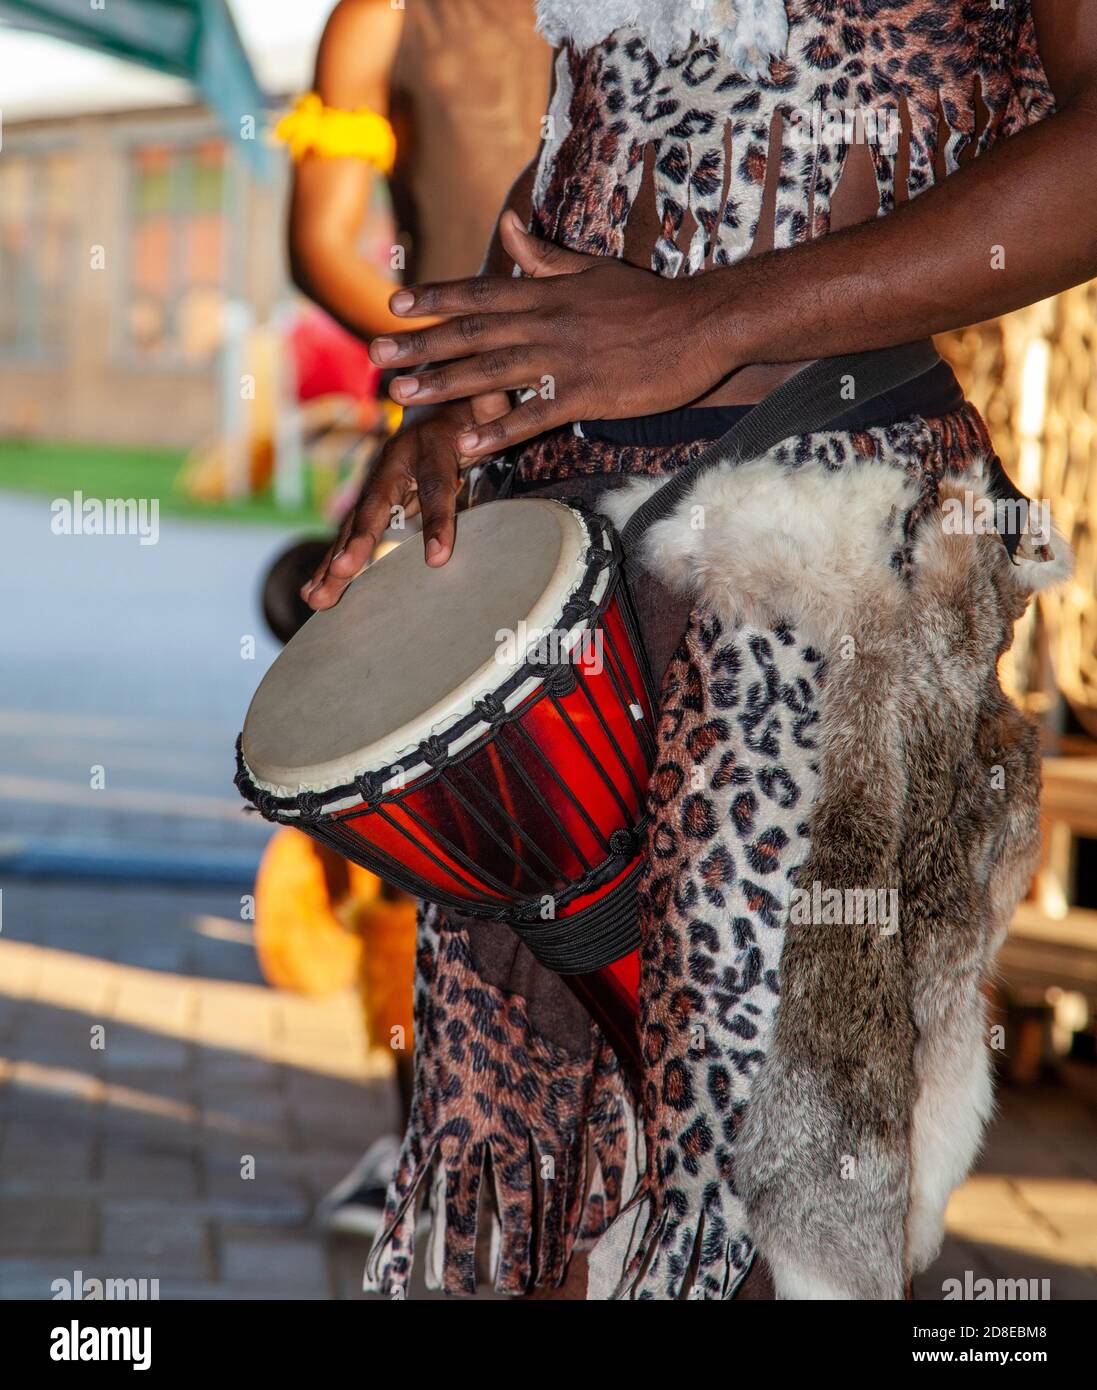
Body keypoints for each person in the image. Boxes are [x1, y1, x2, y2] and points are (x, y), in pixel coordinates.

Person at [303, 0, 1086, 1298]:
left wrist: (707, 318)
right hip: (549, 558)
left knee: (765, 1205)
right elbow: (595, 131)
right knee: (514, 1196)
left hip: (815, 535)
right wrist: (478, 373)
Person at [274, 0, 551, 1237]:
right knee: (426, 819)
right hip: (453, 433)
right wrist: (464, 356)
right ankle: (429, 1141)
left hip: (663, 412)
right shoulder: (379, 18)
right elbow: (326, 242)